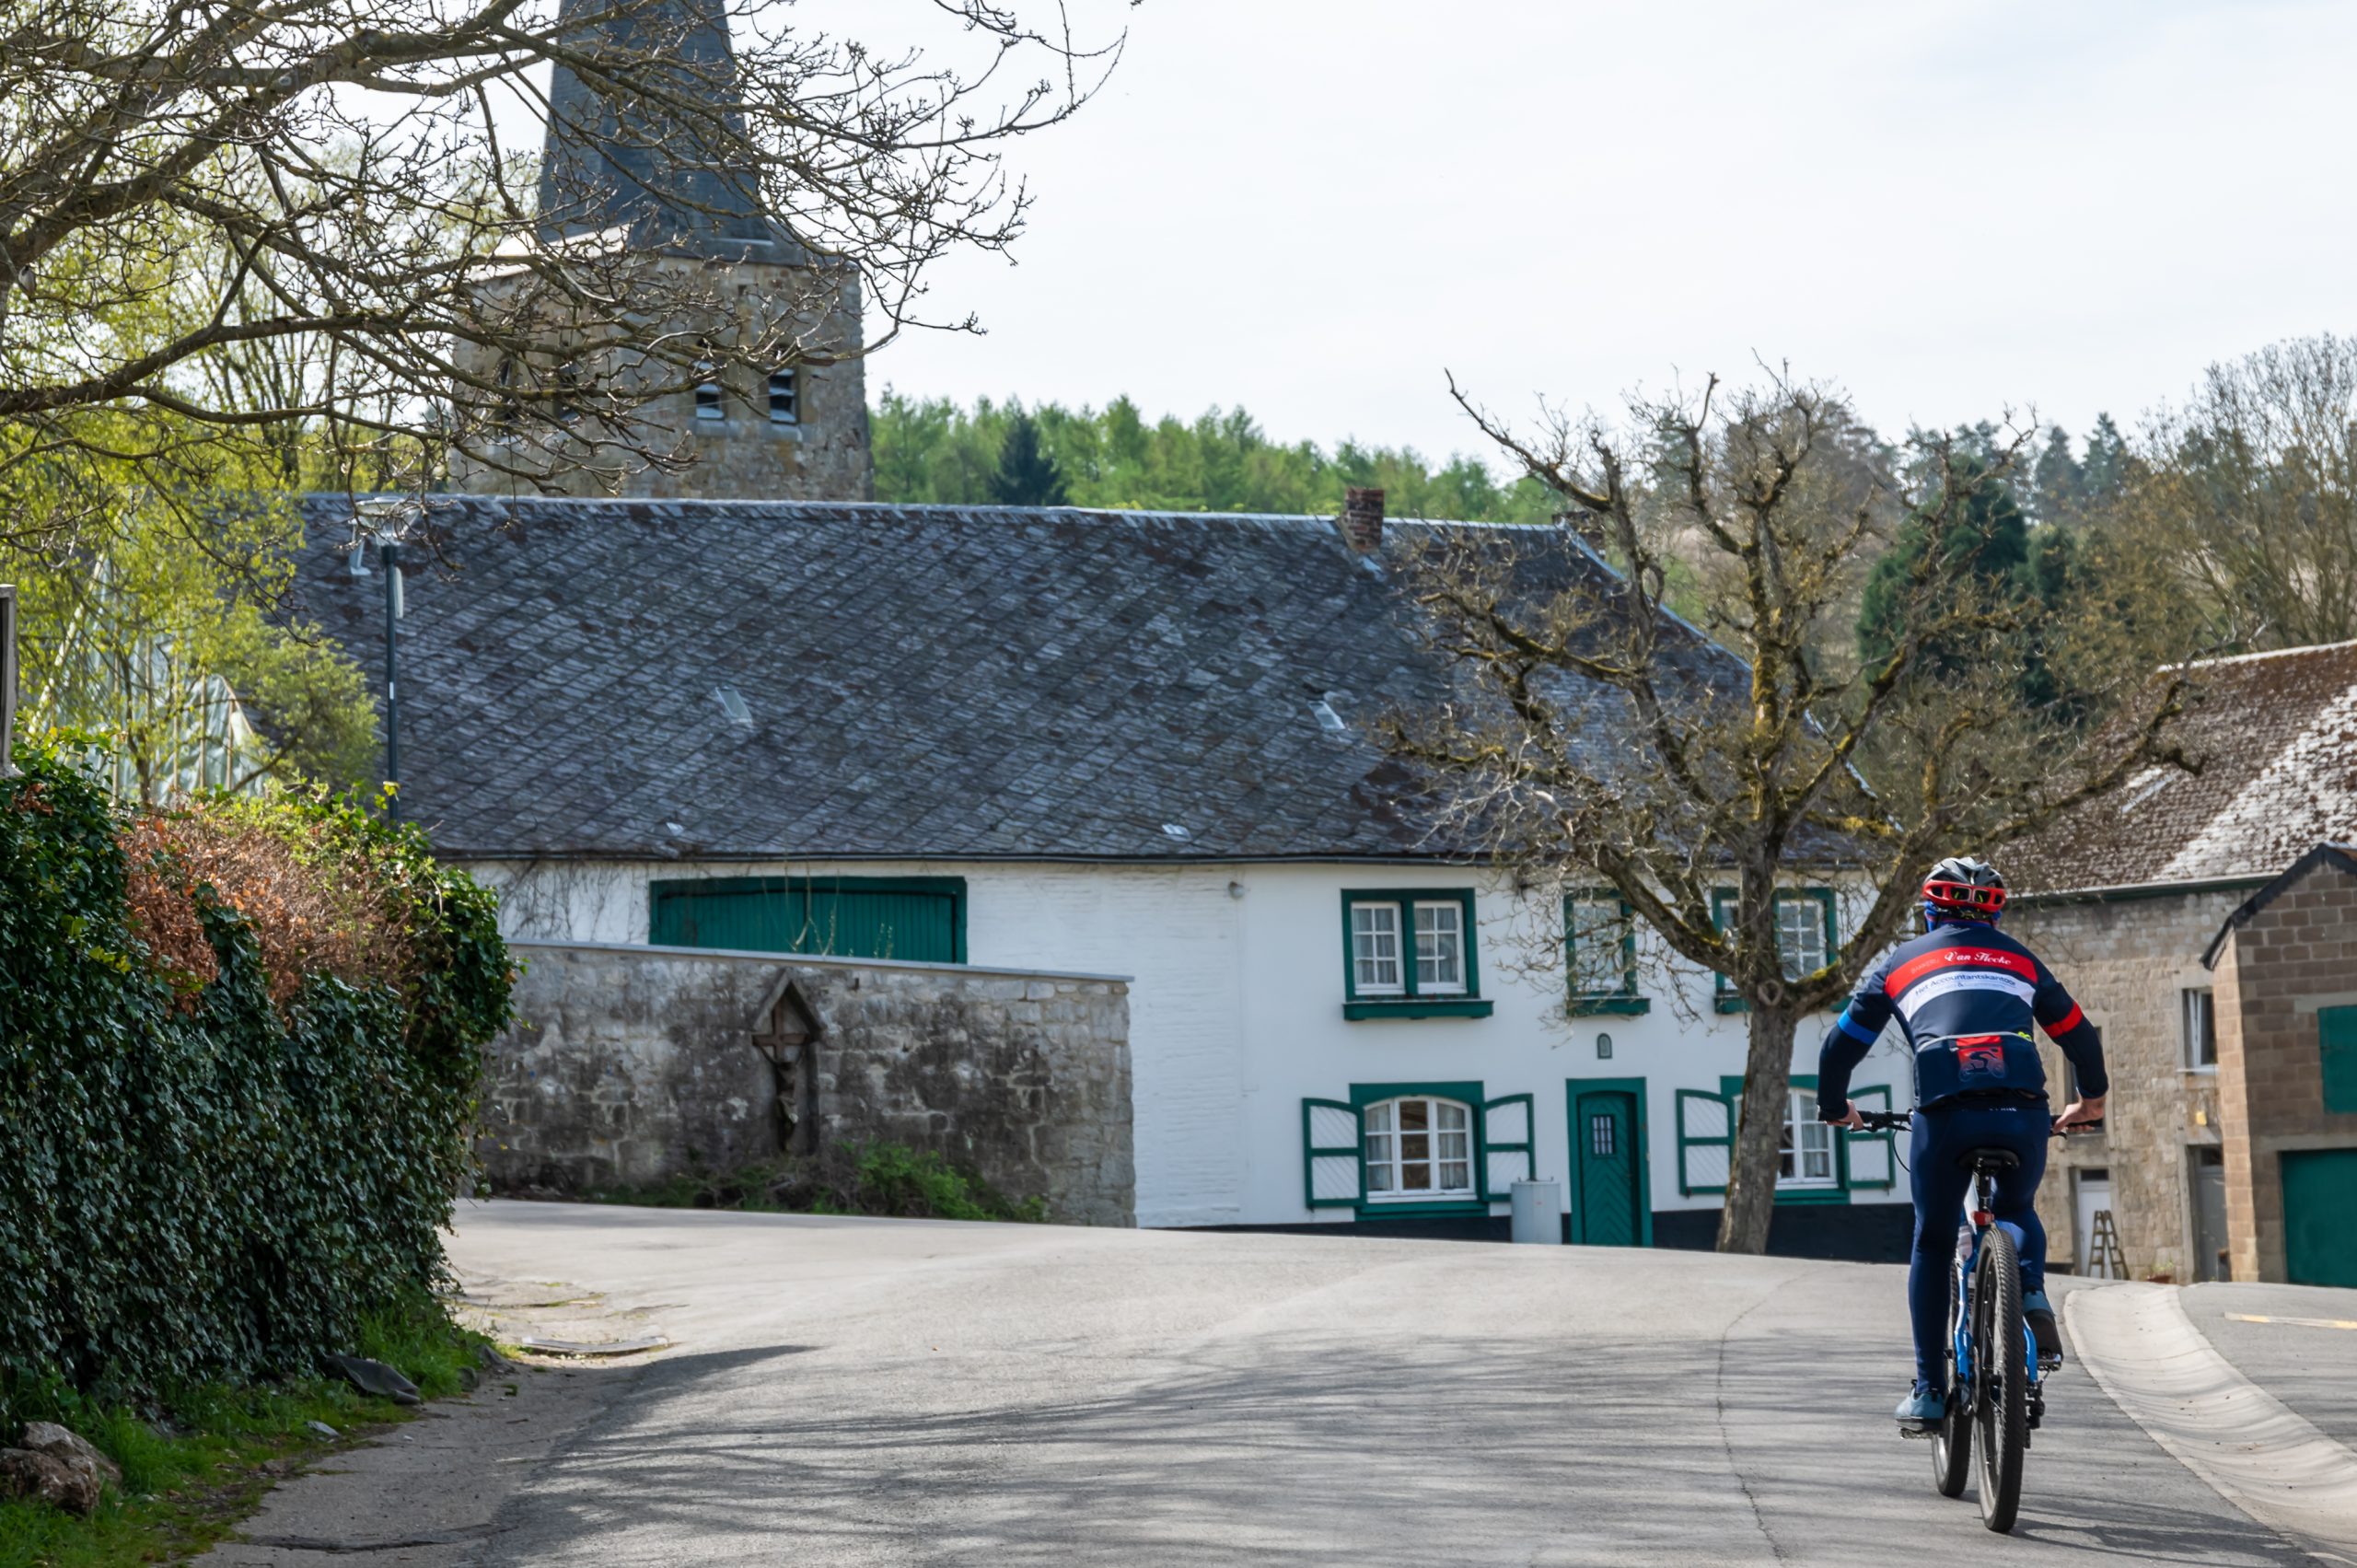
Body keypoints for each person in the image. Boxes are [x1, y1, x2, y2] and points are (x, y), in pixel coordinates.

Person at [1816, 855, 2107, 1432]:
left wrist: (1835, 1108)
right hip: (2022, 1106)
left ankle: (1929, 1390)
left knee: (1931, 1240)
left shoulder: (1901, 962)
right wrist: (2090, 1102)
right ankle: (2031, 1295)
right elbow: (2078, 1034)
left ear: (1929, 913)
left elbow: (1839, 1046)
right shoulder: (2020, 959)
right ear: (1994, 917)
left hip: (1946, 1111)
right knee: (2017, 1207)